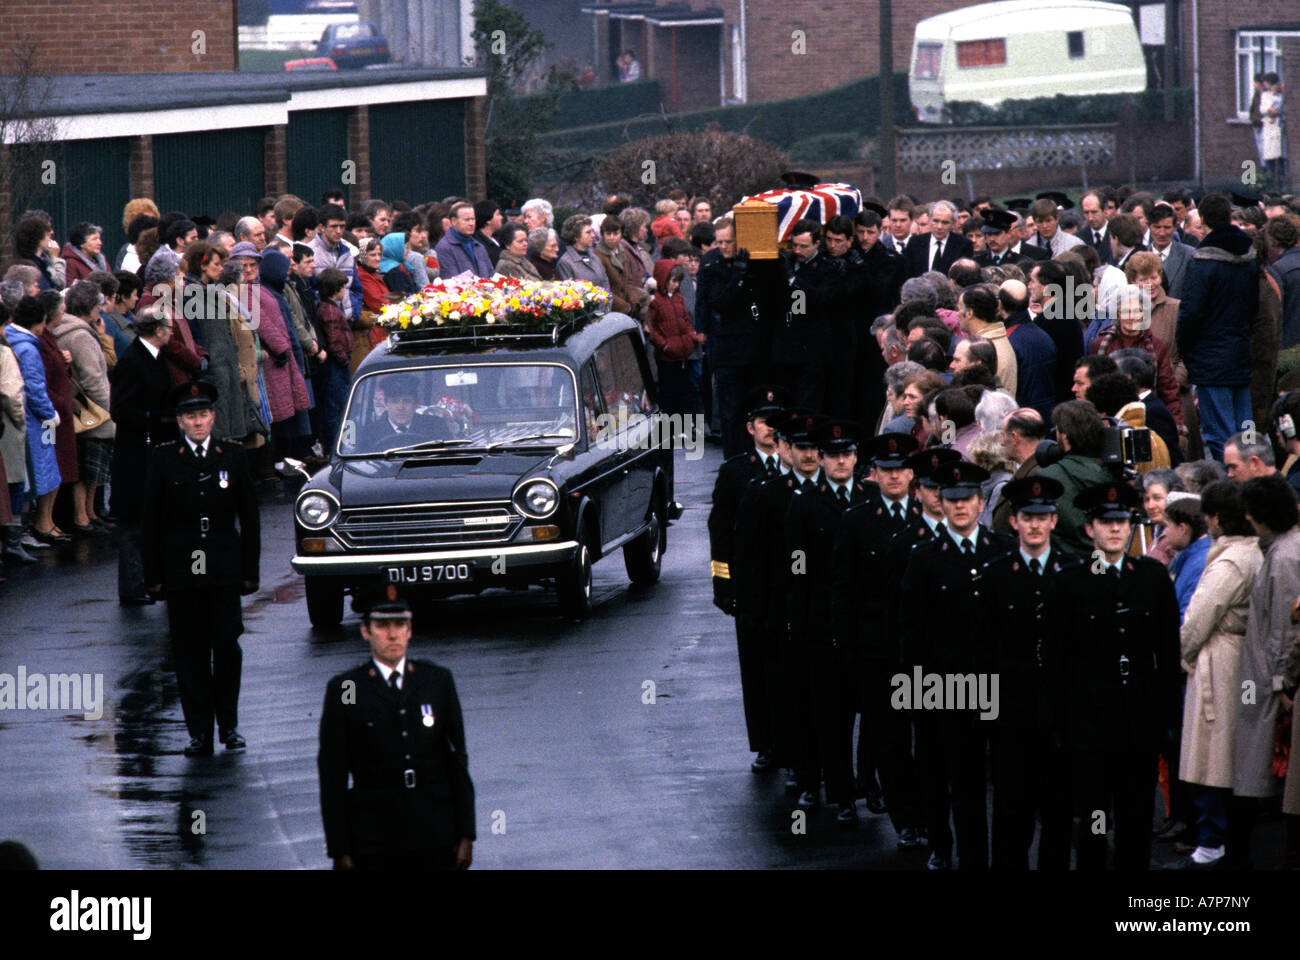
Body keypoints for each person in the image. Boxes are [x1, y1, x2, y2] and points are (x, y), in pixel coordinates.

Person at [1045, 481, 1181, 870]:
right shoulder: (1069, 583)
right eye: (1106, 522)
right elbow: (1057, 659)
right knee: (1093, 821)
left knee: (1136, 818)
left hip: (1138, 722)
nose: (1116, 529)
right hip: (1089, 724)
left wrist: (1169, 718)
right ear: (1090, 529)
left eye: (1122, 521)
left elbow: (1168, 655)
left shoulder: (1152, 579)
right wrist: (1058, 723)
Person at [900, 461, 1014, 870]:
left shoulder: (1002, 550)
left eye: (967, 499)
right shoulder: (925, 557)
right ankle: (954, 851)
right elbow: (911, 629)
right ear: (941, 504)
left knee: (1002, 781)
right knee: (951, 777)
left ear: (981, 502)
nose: (960, 506)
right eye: (952, 500)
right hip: (945, 686)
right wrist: (914, 691)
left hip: (996, 684)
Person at [317, 588, 475, 870]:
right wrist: (339, 848)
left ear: (410, 630)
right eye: (382, 626)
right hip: (375, 837)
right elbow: (333, 776)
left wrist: (466, 833)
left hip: (433, 832)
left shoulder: (437, 681)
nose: (392, 635)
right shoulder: (345, 689)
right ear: (366, 632)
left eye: (400, 625)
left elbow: (457, 761)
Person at [143, 380, 259, 756]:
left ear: (213, 416)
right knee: (190, 653)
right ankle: (198, 732)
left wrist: (249, 570)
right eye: (191, 415)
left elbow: (250, 518)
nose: (198, 422)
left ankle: (230, 725)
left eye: (204, 414)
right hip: (181, 569)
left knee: (226, 647)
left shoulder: (233, 455)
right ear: (180, 421)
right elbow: (152, 522)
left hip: (223, 566)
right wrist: (153, 577)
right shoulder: (163, 458)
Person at [978, 475, 1080, 870]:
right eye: (1027, 517)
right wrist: (985, 713)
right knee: (1010, 813)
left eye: (1043, 516)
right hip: (1011, 715)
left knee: (1057, 812)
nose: (1035, 524)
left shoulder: (1072, 572)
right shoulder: (995, 574)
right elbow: (983, 650)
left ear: (1054, 521)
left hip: (1059, 716)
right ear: (1014, 522)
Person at [831, 431, 927, 848]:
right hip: (877, 649)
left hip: (922, 652)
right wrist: (848, 647)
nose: (894, 477)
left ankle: (925, 815)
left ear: (912, 474)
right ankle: (905, 818)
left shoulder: (926, 522)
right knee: (888, 737)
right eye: (886, 470)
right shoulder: (856, 520)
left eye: (902, 469)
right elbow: (842, 589)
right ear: (875, 474)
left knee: (924, 739)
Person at [784, 418, 877, 823]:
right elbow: (797, 564)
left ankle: (869, 784)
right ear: (820, 460)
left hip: (867, 619)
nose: (843, 462)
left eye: (849, 454)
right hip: (823, 621)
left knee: (874, 712)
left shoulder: (871, 496)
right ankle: (839, 793)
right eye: (835, 456)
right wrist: (800, 619)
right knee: (830, 713)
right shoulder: (805, 503)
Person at [1174, 481, 1260, 868]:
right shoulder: (1253, 552)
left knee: (1213, 758)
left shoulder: (1229, 561)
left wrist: (1181, 658)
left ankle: (1212, 845)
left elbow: (1195, 621)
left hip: (1220, 663)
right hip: (1239, 662)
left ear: (1216, 519)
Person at [708, 387, 786, 771]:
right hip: (752, 588)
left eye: (778, 423)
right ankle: (766, 742)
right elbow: (720, 531)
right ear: (750, 428)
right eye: (765, 423)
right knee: (756, 669)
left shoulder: (799, 468)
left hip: (790, 587)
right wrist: (724, 585)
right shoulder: (736, 471)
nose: (772, 430)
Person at [1230, 474, 1300, 868]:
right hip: (1266, 679)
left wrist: (1280, 684)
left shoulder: (1286, 556)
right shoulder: (1283, 550)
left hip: (1270, 684)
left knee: (1273, 775)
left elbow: (1285, 628)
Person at [1176, 194, 1258, 461]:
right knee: (1246, 433)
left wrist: (1187, 352)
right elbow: (1253, 308)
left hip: (1210, 360)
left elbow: (1190, 314)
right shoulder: (1249, 256)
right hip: (1240, 352)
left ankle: (1230, 492)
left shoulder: (1203, 261)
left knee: (1220, 436)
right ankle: (1251, 485)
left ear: (1203, 220)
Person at [51, 281, 115, 533]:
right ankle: (84, 516)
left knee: (87, 466)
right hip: (92, 412)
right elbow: (93, 378)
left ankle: (90, 514)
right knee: (90, 467)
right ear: (89, 307)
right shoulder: (81, 335)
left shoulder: (66, 329)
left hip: (77, 409)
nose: (100, 310)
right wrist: (109, 409)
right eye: (97, 305)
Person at [1035, 400, 1112, 556]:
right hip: (1106, 564)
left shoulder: (1049, 477)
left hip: (1068, 566)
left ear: (1064, 435)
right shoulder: (1113, 472)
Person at [434, 202, 493, 279]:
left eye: (473, 219)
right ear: (454, 221)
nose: (471, 223)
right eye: (467, 220)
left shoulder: (479, 246)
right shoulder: (444, 248)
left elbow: (491, 275)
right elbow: (450, 280)